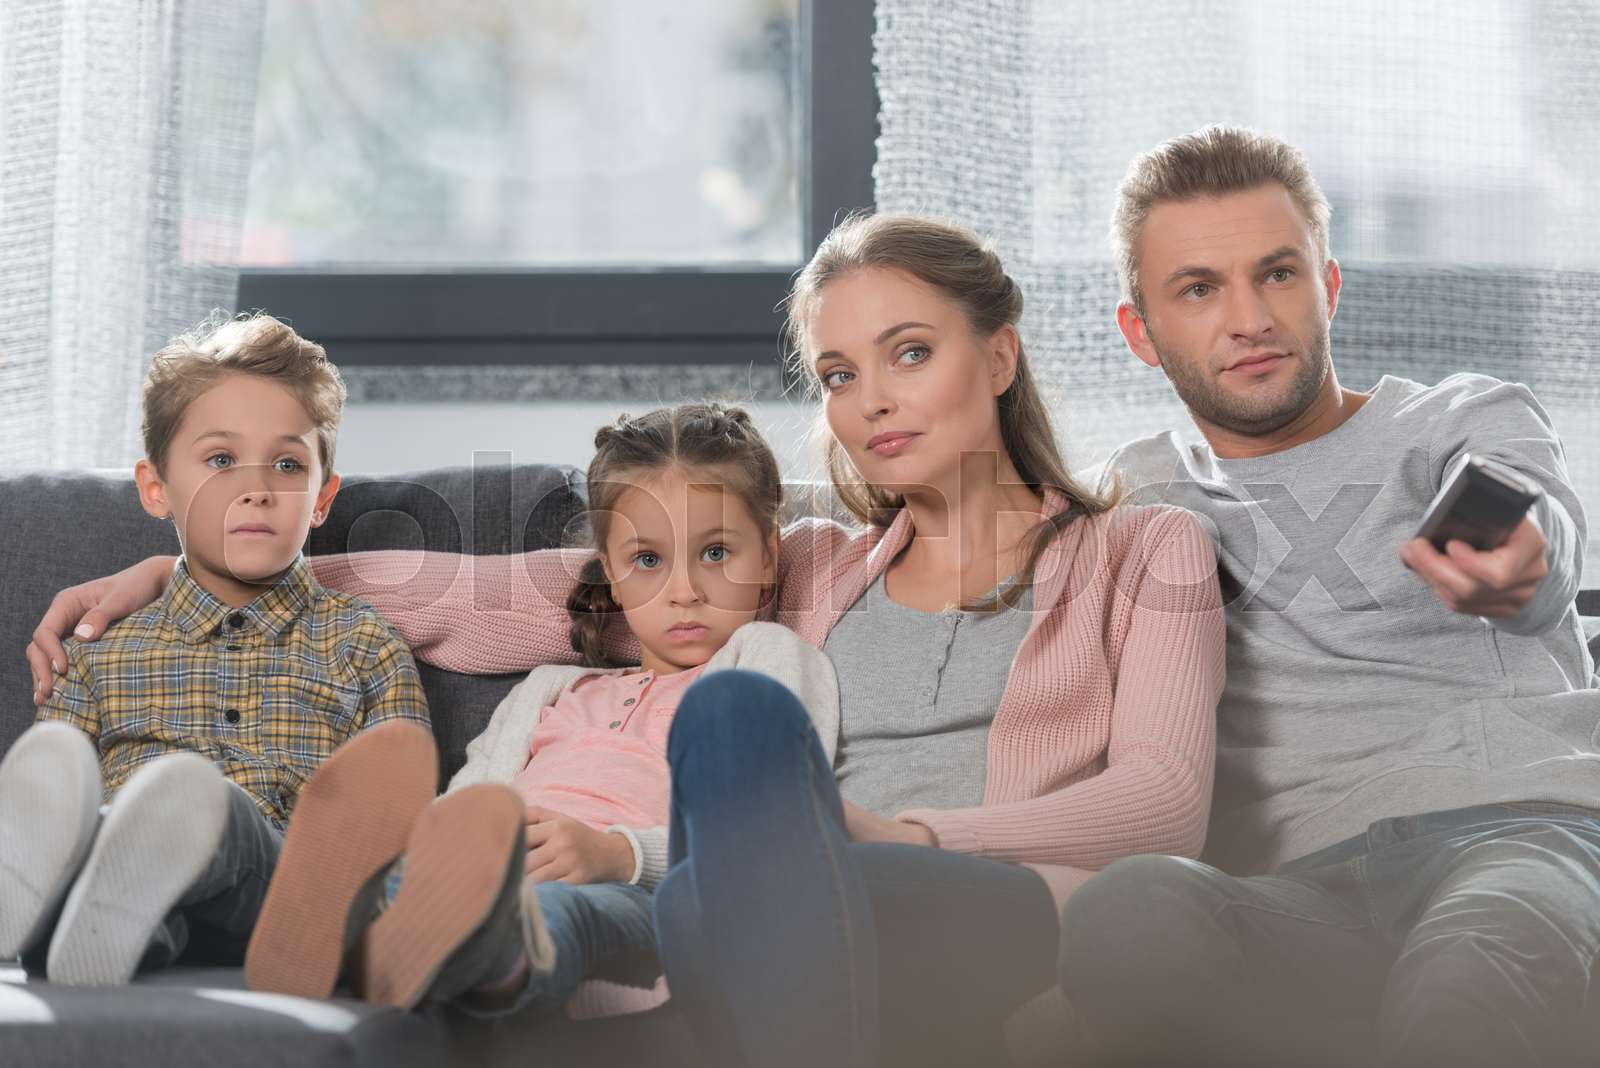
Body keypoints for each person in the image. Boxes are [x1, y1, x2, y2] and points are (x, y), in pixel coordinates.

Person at [28, 215, 1225, 1066]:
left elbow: (1161, 803)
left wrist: (872, 831)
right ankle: (460, 933)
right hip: (728, 903)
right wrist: (201, 568)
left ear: (1000, 354)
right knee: (726, 785)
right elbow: (465, 593)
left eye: (911, 352)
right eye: (840, 372)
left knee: (741, 725)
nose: (874, 401)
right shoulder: (794, 563)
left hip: (954, 899)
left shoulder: (1142, 548)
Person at [1056, 125, 1600, 1066]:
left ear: (1329, 285)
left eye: (1278, 274)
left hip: (1514, 834)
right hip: (1293, 894)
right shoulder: (1130, 495)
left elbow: (1529, 521)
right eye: (1198, 288)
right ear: (1140, 331)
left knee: (1465, 987)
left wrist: (1505, 551)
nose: (1250, 318)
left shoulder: (1460, 418)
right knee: (1127, 912)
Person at [245, 403, 840, 1018]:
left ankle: (454, 950)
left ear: (769, 555)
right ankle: (355, 923)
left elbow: (778, 830)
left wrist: (619, 853)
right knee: (425, 876)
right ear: (609, 573)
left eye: (716, 553)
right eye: (648, 560)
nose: (685, 589)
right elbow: (468, 806)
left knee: (552, 914)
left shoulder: (763, 662)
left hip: (634, 897)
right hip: (487, 873)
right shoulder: (552, 688)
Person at [0, 314, 431, 987]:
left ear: (321, 498)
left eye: (287, 464)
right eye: (222, 460)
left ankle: (148, 844)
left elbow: (400, 815)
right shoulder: (103, 649)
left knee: (206, 806)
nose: (257, 487)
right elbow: (53, 794)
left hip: (281, 900)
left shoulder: (364, 644)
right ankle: (73, 919)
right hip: (135, 900)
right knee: (77, 811)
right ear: (156, 488)